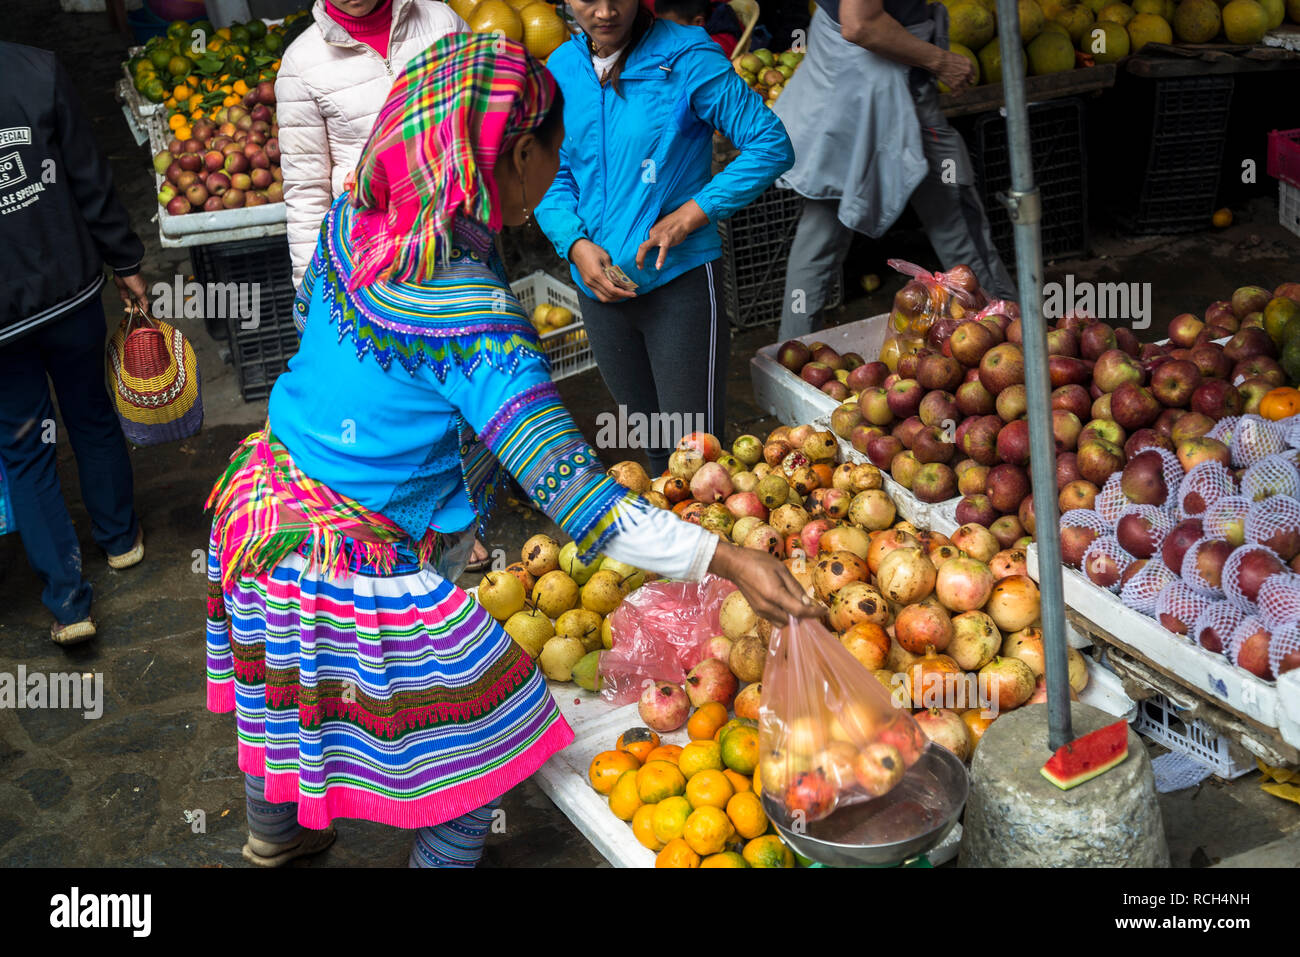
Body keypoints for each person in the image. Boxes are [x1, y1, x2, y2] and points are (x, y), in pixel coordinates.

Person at [205, 33, 816, 868]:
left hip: (261, 507)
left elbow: (348, 342)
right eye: (554, 152)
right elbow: (584, 503)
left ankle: (274, 841)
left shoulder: (360, 217)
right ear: (521, 151)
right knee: (478, 765)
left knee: (283, 701)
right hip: (339, 559)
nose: (556, 169)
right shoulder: (479, 322)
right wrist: (733, 560)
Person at [533, 0, 794, 475]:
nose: (606, 10)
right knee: (653, 449)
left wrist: (693, 213)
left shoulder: (687, 56)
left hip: (681, 284)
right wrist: (573, 242)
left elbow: (769, 143)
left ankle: (714, 548)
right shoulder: (562, 67)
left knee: (695, 453)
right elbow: (553, 171)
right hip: (600, 290)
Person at [278, 0, 483, 566]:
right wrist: (310, 292)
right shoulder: (302, 62)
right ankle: (406, 526)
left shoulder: (440, 21)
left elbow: (486, 122)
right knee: (402, 395)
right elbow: (305, 191)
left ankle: (465, 517)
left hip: (456, 241)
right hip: (373, 268)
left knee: (464, 385)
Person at [0, 42, 149, 646]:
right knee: (89, 413)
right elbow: (90, 178)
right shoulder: (36, 68)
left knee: (26, 448)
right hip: (68, 288)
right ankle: (120, 542)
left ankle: (67, 602)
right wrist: (127, 259)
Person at [774, 0, 1017, 341]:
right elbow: (860, 24)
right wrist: (941, 60)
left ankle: (789, 358)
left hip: (845, 85)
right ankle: (1011, 337)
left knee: (821, 230)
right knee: (957, 222)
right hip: (884, 86)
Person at [654, 0, 746, 57]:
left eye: (673, 28)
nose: (667, 34)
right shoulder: (701, 17)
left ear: (698, 22)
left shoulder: (714, 48)